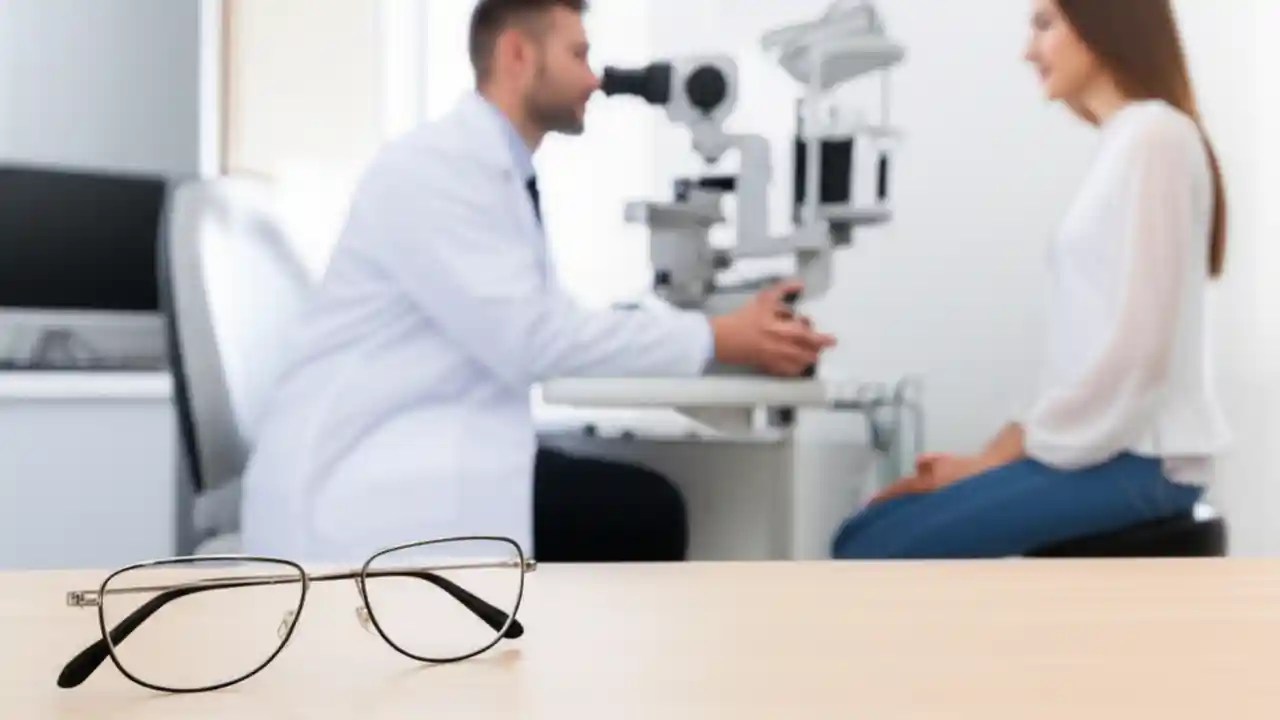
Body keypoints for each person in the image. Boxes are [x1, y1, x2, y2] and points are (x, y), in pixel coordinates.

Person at [239, 0, 836, 563]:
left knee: (630, 490)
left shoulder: (491, 170)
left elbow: (537, 320)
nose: (594, 79)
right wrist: (717, 339)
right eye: (578, 55)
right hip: (366, 481)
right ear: (519, 55)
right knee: (646, 511)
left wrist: (704, 332)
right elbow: (533, 338)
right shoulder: (436, 169)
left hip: (429, 448)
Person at [832, 0, 1231, 559]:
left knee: (872, 548)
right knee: (866, 529)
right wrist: (1000, 453)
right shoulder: (1128, 142)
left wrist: (1000, 459)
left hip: (1140, 463)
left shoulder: (1154, 137)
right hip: (1106, 450)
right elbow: (1088, 357)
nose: (1028, 50)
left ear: (1103, 22)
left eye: (1045, 25)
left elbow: (1137, 358)